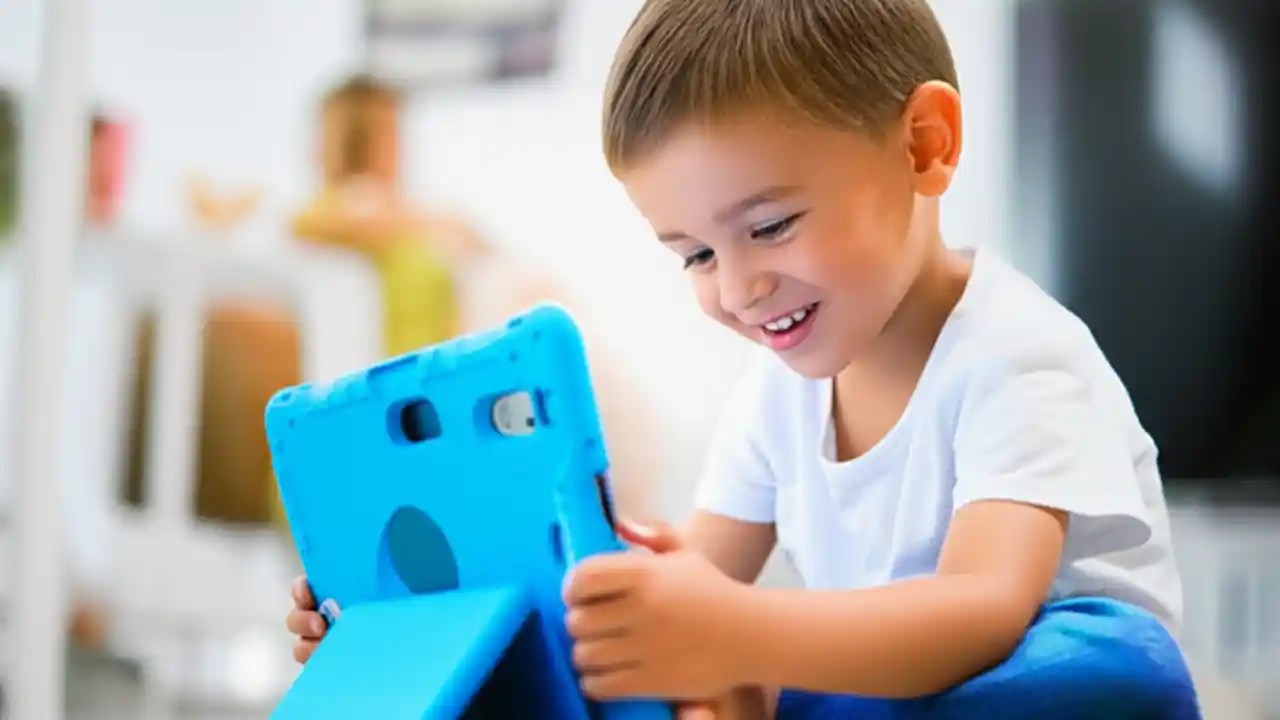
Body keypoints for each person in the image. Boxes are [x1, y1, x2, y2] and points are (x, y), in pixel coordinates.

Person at [287, 1, 1187, 717]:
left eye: (769, 226)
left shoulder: (1021, 356)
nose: (740, 287)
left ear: (924, 145)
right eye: (696, 255)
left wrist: (740, 637)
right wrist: (404, 637)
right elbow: (701, 589)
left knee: (1116, 666)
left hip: (1043, 679)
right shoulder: (777, 396)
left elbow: (984, 613)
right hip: (890, 699)